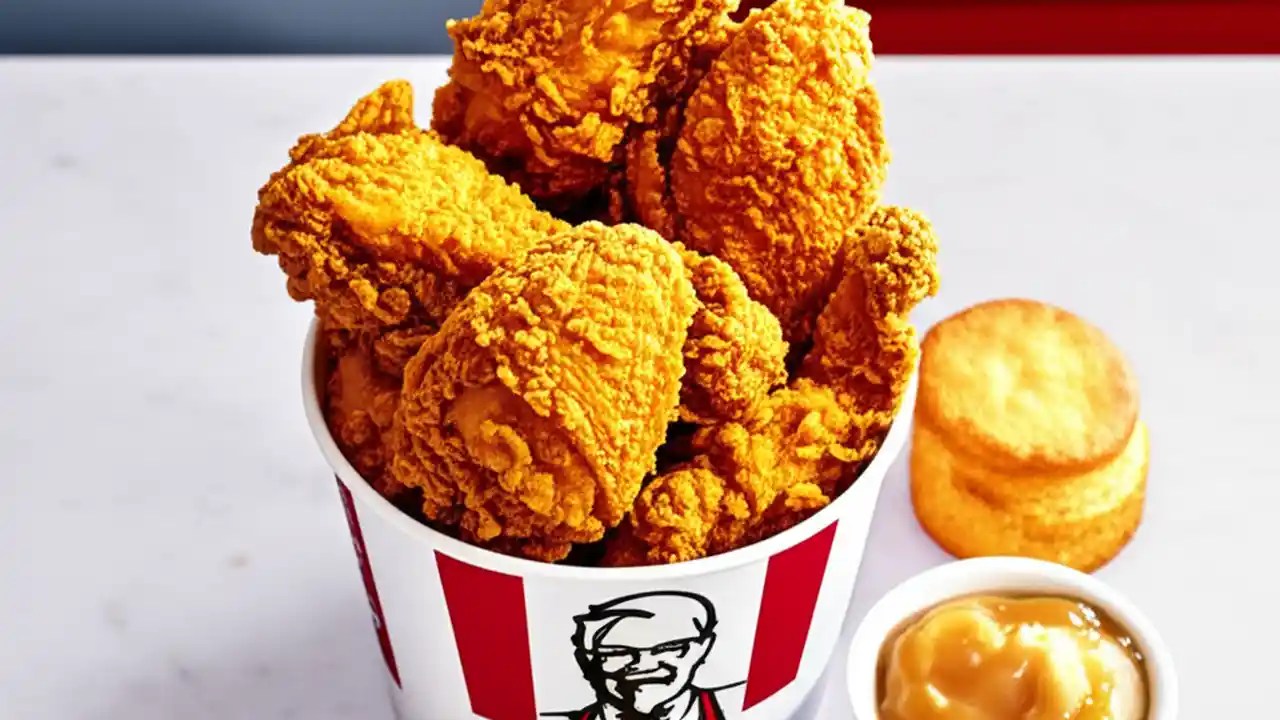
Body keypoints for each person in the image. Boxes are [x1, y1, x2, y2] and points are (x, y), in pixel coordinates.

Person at [562, 591, 740, 720]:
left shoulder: (739, 704)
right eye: (618, 652)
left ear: (702, 648)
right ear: (586, 660)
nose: (644, 664)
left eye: (669, 648)